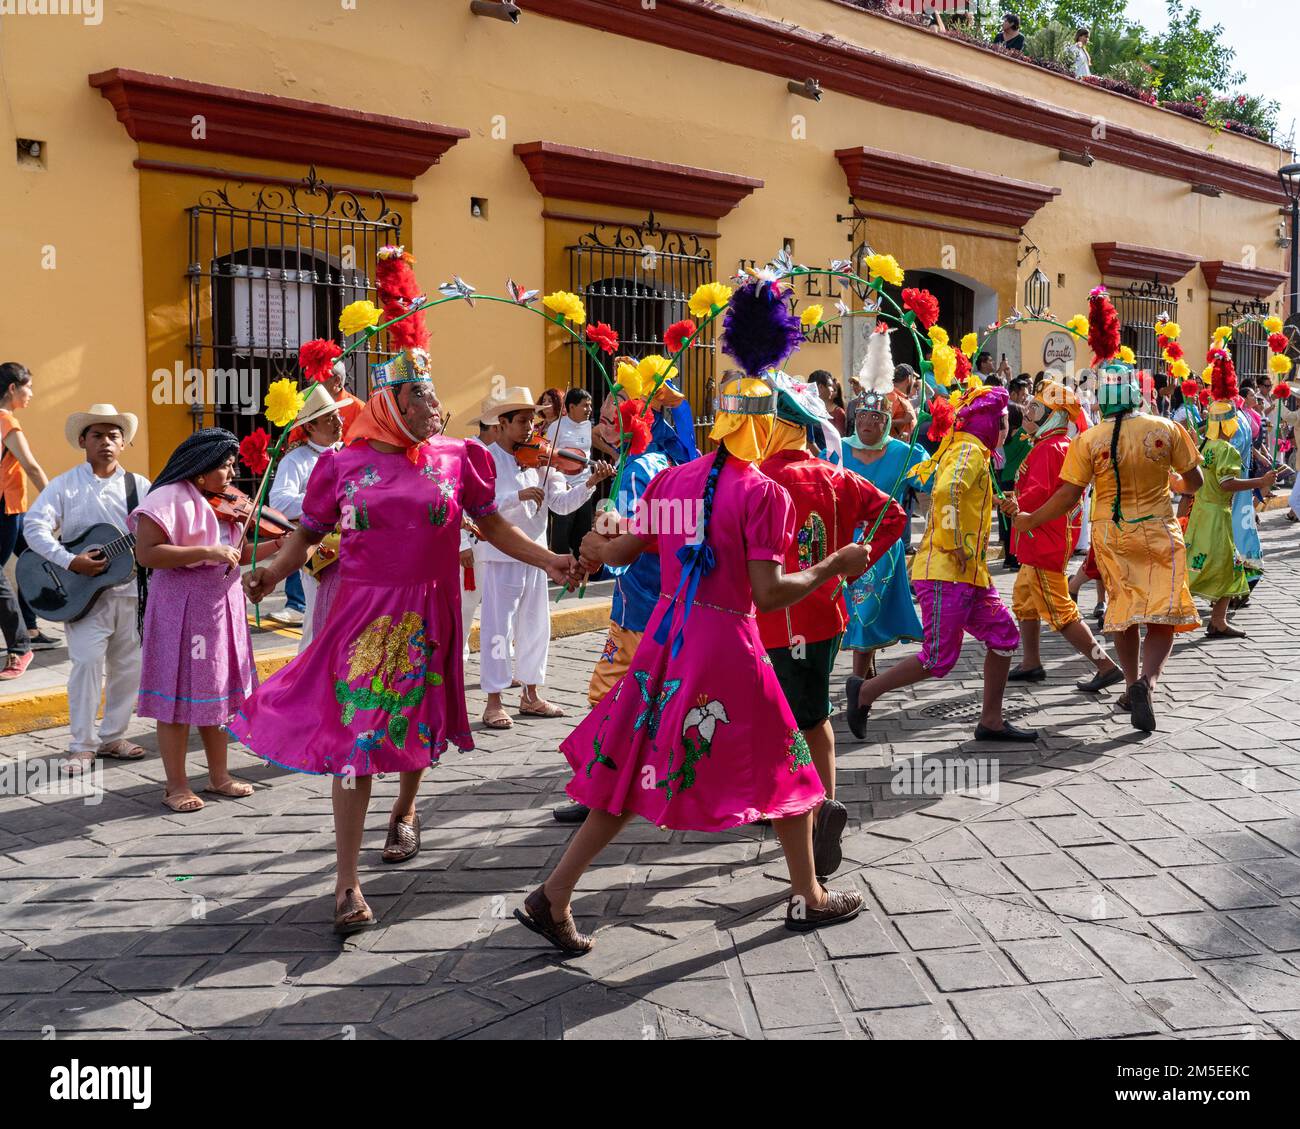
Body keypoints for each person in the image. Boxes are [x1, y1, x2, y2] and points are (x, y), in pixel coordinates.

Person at [515, 280, 874, 955]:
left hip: (666, 641)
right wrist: (834, 567)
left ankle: (553, 893)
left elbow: (622, 548)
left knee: (628, 771)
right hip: (727, 644)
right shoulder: (764, 493)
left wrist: (588, 548)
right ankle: (808, 897)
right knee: (790, 762)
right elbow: (768, 593)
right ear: (766, 424)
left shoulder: (673, 480)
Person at [231, 246, 580, 933]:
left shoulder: (461, 458)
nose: (432, 405)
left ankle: (407, 809)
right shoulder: (341, 465)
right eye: (417, 395)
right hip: (359, 615)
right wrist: (271, 571)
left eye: (432, 393)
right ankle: (346, 882)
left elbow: (492, 529)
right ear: (389, 401)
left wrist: (549, 560)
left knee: (418, 733)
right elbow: (306, 532)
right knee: (358, 742)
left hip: (431, 611)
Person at [1014, 288, 1203, 733]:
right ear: (1137, 392)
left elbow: (1065, 496)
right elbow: (1194, 481)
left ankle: (1131, 679)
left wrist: (1030, 520)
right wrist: (1177, 484)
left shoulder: (1088, 439)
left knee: (1123, 612)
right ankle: (1148, 685)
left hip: (1110, 533)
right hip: (1158, 526)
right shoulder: (1166, 428)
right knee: (1162, 612)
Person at [759, 366, 907, 881]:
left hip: (771, 616)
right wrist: (858, 562)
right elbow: (894, 517)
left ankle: (813, 807)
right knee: (814, 712)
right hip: (825, 613)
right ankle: (815, 802)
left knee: (783, 717)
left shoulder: (757, 479)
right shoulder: (837, 476)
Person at [848, 382, 1037, 744]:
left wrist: (1001, 504)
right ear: (990, 423)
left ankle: (991, 720)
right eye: (1002, 421)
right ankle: (864, 692)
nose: (1006, 428)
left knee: (1004, 636)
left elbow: (964, 493)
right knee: (938, 658)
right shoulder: (967, 451)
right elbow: (947, 490)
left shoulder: (971, 451)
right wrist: (956, 543)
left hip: (969, 575)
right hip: (945, 574)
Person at [131, 428, 281, 812]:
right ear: (200, 470)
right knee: (178, 699)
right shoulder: (165, 498)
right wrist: (205, 551)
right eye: (225, 466)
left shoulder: (224, 503)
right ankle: (176, 785)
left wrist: (281, 543)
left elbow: (240, 550)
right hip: (180, 607)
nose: (232, 475)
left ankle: (219, 776)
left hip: (220, 608)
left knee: (219, 696)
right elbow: (147, 553)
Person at [553, 394, 678, 826]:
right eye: (603, 417)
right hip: (662, 602)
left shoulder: (632, 472)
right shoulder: (660, 463)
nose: (603, 425)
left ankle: (599, 789)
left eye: (611, 418)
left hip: (637, 603)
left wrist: (593, 553)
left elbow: (624, 542)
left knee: (605, 696)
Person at [24, 405, 151, 771]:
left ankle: (113, 736)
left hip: (130, 592)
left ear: (123, 443)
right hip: (79, 595)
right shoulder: (64, 485)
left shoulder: (139, 486)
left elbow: (157, 526)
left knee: (129, 666)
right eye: (97, 435)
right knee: (85, 665)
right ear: (83, 441)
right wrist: (69, 561)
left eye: (113, 436)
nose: (106, 442)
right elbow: (34, 526)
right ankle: (81, 743)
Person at [479, 385, 613, 728]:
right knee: (498, 629)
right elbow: (485, 508)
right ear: (503, 424)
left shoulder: (543, 457)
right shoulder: (487, 457)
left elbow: (561, 504)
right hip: (500, 555)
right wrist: (518, 495)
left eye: (532, 421)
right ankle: (493, 701)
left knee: (536, 626)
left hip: (538, 555)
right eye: (522, 421)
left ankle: (531, 694)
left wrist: (589, 483)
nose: (529, 428)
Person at [998, 379, 1122, 691]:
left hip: (1043, 537)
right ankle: (1031, 662)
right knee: (1024, 601)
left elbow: (1039, 495)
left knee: (1060, 609)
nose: (1028, 412)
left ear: (1053, 416)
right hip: (1046, 536)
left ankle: (1105, 665)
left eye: (1036, 408)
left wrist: (1017, 507)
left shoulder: (1050, 448)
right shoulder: (1055, 446)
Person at [841, 333, 927, 681]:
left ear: (888, 421)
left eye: (877, 418)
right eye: (863, 416)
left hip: (883, 544)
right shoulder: (838, 451)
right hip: (843, 540)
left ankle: (859, 684)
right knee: (850, 612)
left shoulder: (904, 454)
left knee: (867, 611)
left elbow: (933, 482)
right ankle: (864, 668)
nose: (868, 423)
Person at [1184, 353, 1276, 638]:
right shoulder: (1226, 450)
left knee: (1195, 560)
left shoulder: (1205, 447)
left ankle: (1213, 618)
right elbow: (1226, 483)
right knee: (1229, 566)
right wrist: (1260, 481)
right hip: (1218, 515)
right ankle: (1215, 620)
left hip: (1202, 511)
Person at [267, 385, 343, 652]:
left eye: (337, 416)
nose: (338, 422)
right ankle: (306, 682)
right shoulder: (296, 460)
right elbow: (279, 502)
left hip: (353, 547)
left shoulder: (349, 452)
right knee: (318, 619)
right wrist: (325, 502)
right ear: (310, 427)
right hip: (319, 549)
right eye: (329, 418)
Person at [0, 362, 54, 679]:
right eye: (28, 387)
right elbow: (31, 467)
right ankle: (21, 647)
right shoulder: (7, 422)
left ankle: (30, 631)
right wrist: (54, 503)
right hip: (7, 510)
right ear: (12, 388)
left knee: (37, 558)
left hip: (13, 509)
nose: (31, 393)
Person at [546, 387, 596, 559]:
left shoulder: (589, 425)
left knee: (582, 532)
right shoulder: (557, 426)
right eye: (585, 406)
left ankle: (580, 566)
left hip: (585, 485)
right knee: (562, 533)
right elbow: (549, 456)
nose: (589, 409)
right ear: (571, 407)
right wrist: (559, 480)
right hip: (564, 486)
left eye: (590, 406)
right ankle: (560, 565)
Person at [810, 370, 846, 436]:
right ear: (820, 387)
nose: (832, 389)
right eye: (830, 385)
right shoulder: (807, 410)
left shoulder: (836, 411)